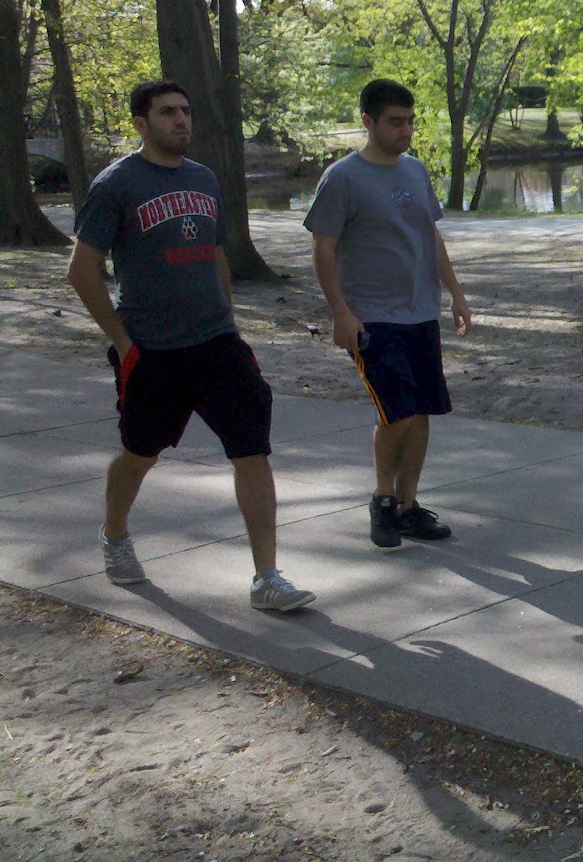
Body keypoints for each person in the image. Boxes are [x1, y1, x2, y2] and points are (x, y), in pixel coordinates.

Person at [66, 79, 315, 611]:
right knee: (140, 453)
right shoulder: (116, 185)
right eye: (167, 113)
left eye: (185, 111)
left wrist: (228, 319)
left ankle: (267, 577)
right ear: (141, 123)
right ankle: (114, 536)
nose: (181, 120)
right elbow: (82, 270)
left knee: (252, 449)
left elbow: (215, 253)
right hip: (152, 350)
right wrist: (123, 343)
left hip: (217, 344)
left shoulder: (204, 179)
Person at [304, 78, 472, 551]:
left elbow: (430, 238)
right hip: (371, 318)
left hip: (421, 312)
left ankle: (408, 505)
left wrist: (456, 293)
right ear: (368, 122)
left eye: (410, 121)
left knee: (420, 413)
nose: (406, 131)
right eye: (396, 122)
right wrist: (340, 313)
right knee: (396, 410)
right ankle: (382, 500)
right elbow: (323, 248)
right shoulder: (343, 177)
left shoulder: (416, 171)